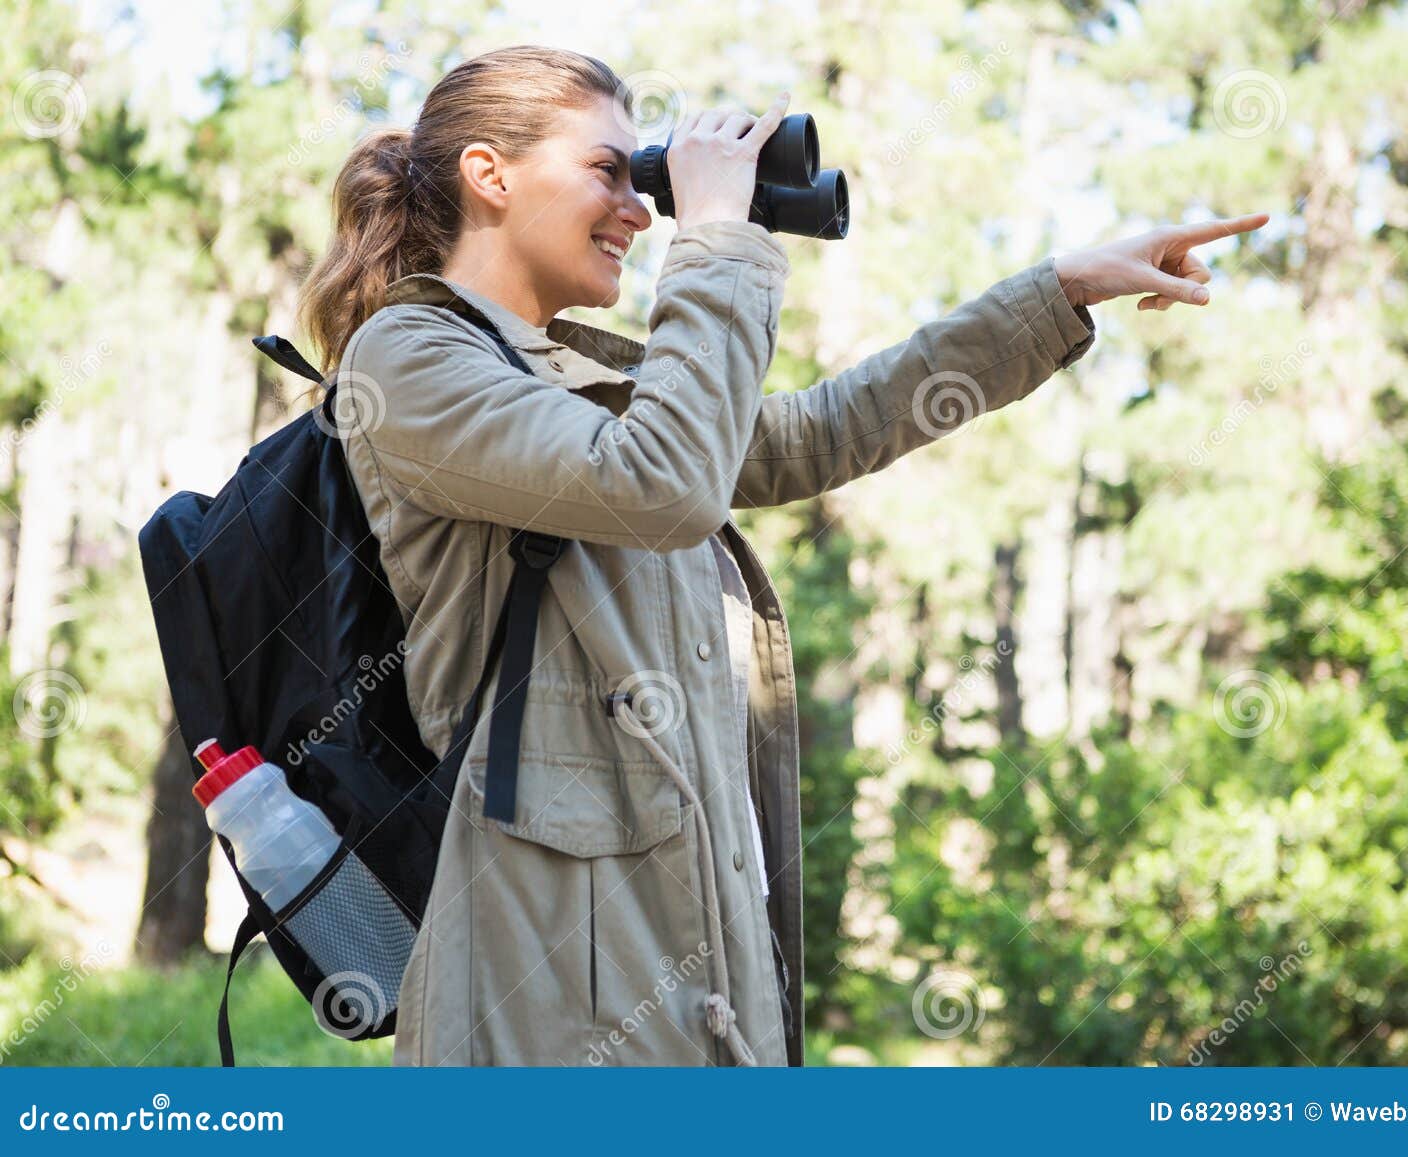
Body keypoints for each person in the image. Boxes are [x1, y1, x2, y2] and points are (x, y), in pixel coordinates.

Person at [294, 43, 1267, 1066]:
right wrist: (712, 234)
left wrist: (1057, 292)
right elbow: (663, 483)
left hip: (690, 949)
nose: (640, 209)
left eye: (650, 178)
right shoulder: (409, 360)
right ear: (489, 175)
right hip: (550, 991)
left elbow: (811, 433)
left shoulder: (565, 368)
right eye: (609, 172)